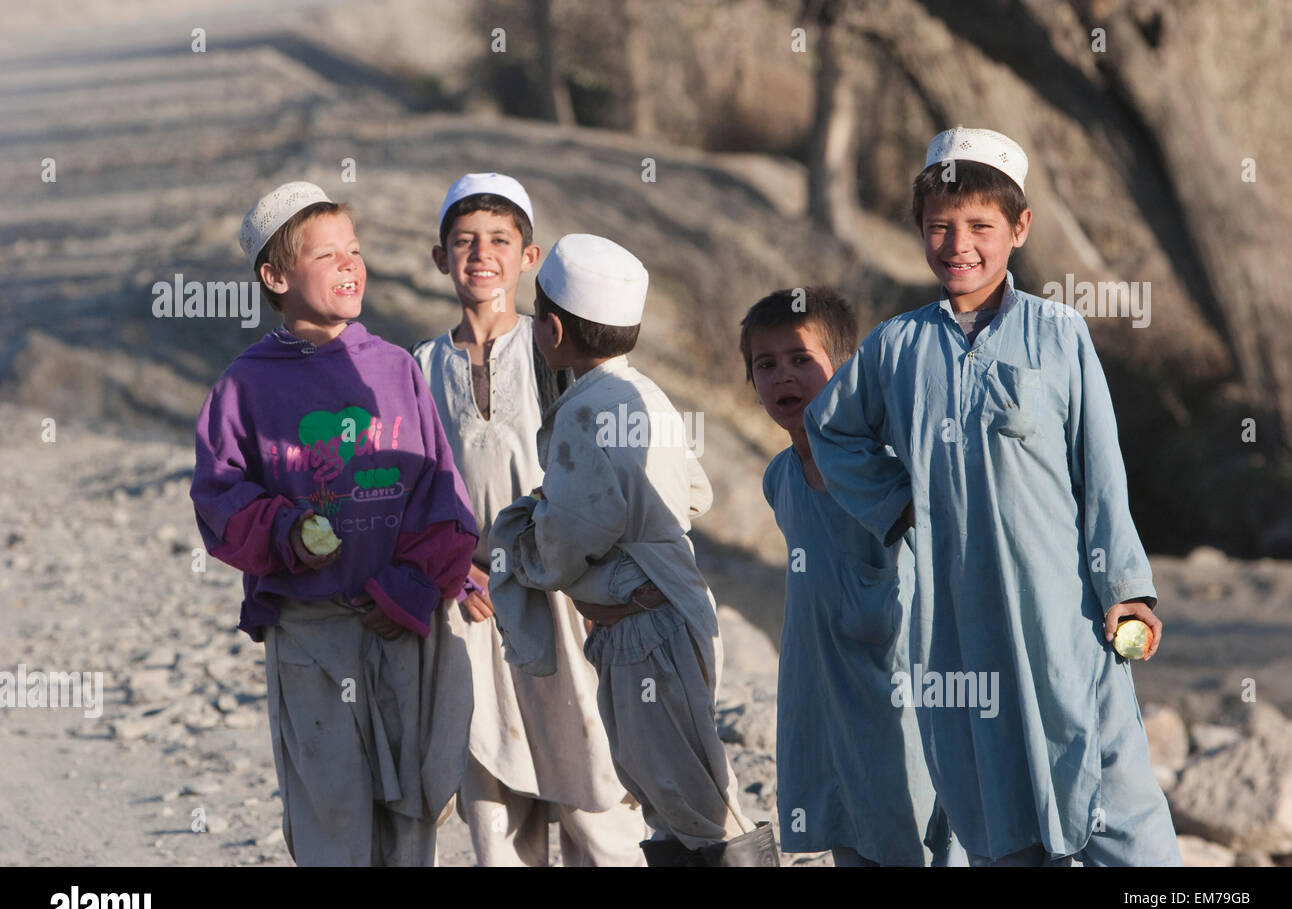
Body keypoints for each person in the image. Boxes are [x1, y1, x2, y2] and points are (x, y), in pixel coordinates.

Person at [805, 128, 1181, 866]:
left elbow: (1100, 471)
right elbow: (830, 431)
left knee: (1122, 816)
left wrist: (1128, 588)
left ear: (1020, 227)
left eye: (980, 225)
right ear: (918, 229)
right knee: (993, 804)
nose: (959, 244)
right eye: (940, 226)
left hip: (1065, 619)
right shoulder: (896, 348)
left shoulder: (1058, 333)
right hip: (957, 627)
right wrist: (897, 505)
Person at [191, 182, 478, 866]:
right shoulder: (246, 386)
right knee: (330, 811)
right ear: (275, 276)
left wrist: (414, 586)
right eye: (328, 255)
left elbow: (441, 494)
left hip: (400, 629)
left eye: (355, 250)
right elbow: (219, 496)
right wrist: (285, 532)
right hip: (310, 635)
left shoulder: (397, 370)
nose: (351, 265)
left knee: (412, 808)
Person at [488, 233, 775, 866]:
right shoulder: (646, 394)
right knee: (660, 793)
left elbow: (568, 543)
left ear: (553, 330)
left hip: (647, 629)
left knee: (697, 800)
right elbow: (693, 491)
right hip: (667, 612)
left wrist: (527, 543)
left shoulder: (586, 412)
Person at [412, 173, 646, 866]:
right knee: (492, 804)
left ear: (529, 257)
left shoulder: (561, 358)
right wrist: (451, 571)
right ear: (439, 257)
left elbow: (608, 480)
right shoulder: (419, 368)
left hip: (566, 601)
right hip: (473, 608)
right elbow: (407, 495)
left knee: (591, 791)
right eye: (464, 241)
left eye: (499, 241)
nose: (481, 255)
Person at [743, 286, 963, 866]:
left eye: (800, 360)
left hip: (901, 707)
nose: (783, 378)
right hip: (820, 706)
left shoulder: (888, 474)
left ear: (845, 371)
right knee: (846, 838)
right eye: (765, 365)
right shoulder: (781, 480)